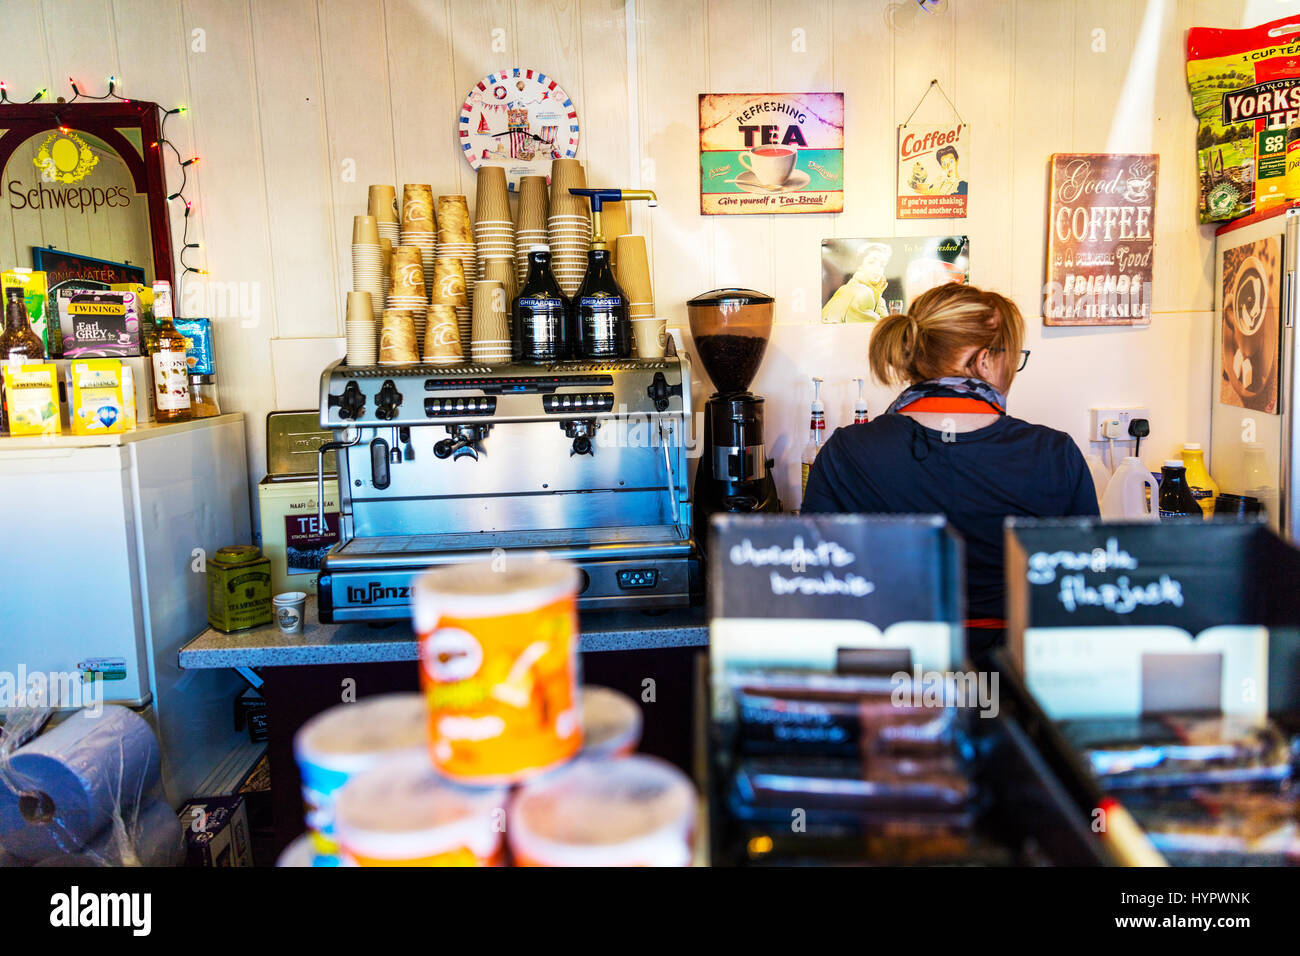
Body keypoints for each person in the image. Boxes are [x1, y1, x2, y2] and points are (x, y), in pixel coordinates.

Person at [802, 283, 1099, 653]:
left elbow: (816, 587)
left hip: (891, 683)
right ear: (984, 360)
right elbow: (1085, 593)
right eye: (1012, 356)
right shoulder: (1056, 455)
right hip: (1016, 687)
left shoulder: (846, 452)